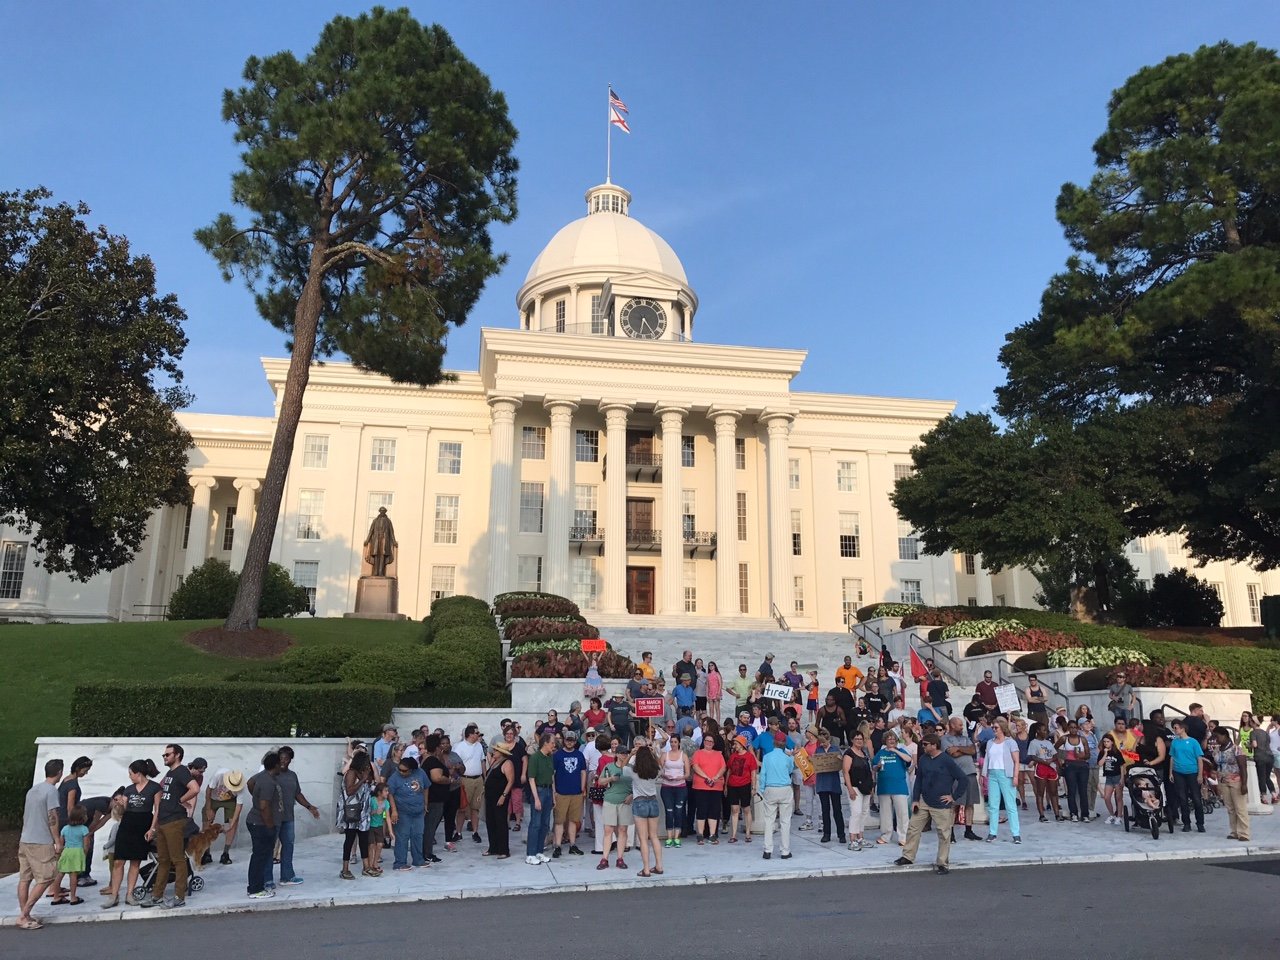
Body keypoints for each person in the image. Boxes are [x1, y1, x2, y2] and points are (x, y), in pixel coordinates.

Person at [895, 734, 967, 875]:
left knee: (944, 834)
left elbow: (963, 779)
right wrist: (916, 799)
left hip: (941, 803)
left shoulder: (947, 760)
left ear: (934, 745)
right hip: (924, 800)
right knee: (913, 828)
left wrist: (953, 797)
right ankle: (908, 856)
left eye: (925, 744)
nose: (923, 746)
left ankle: (942, 863)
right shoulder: (923, 759)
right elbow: (919, 779)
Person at [139, 743, 198, 909]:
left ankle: (179, 897)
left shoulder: (181, 771)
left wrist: (181, 800)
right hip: (164, 821)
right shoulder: (171, 773)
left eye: (167, 754)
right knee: (163, 860)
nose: (164, 757)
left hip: (174, 821)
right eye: (164, 755)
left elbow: (194, 788)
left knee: (177, 859)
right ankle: (157, 895)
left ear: (177, 755)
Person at [15, 758, 63, 930]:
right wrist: (57, 840)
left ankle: (25, 914)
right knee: (47, 877)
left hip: (25, 838)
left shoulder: (33, 790)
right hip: (41, 841)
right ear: (59, 773)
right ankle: (24, 915)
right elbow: (52, 817)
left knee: (25, 878)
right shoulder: (51, 791)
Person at [269, 745, 321, 888]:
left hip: (288, 817)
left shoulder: (292, 775)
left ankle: (287, 876)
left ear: (290, 760)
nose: (283, 761)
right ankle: (267, 880)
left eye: (286, 759)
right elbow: (255, 785)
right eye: (281, 758)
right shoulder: (272, 773)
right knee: (269, 848)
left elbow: (297, 794)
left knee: (288, 846)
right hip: (273, 817)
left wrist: (309, 807)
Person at [245, 750, 283, 898]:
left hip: (258, 823)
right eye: (280, 764)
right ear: (275, 765)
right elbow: (263, 806)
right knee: (259, 857)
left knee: (260, 856)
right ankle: (255, 889)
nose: (281, 766)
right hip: (260, 824)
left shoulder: (262, 776)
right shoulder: (268, 782)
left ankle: (256, 887)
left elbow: (250, 783)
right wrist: (270, 827)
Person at [940, 717, 980, 841]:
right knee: (954, 803)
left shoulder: (965, 738)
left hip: (970, 773)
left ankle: (968, 830)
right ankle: (950, 832)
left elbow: (973, 750)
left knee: (970, 803)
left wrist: (957, 748)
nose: (962, 727)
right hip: (956, 775)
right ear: (952, 725)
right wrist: (964, 750)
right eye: (960, 725)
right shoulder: (945, 739)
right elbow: (953, 754)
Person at [1207, 727, 1249, 842]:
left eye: (1217, 737)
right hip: (1223, 781)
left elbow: (1243, 768)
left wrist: (1244, 784)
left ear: (1225, 736)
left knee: (1240, 807)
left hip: (1236, 781)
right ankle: (1234, 831)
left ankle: (1244, 833)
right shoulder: (1217, 750)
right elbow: (1215, 764)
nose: (1216, 740)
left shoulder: (1237, 749)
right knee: (1230, 808)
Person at [628, 740, 664, 876]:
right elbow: (661, 767)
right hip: (653, 801)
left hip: (639, 801)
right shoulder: (655, 771)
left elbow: (623, 768)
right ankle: (659, 866)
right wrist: (654, 754)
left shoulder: (634, 772)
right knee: (654, 836)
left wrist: (631, 754)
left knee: (643, 839)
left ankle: (646, 869)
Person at [758, 731, 795, 859]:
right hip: (784, 788)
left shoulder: (767, 757)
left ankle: (767, 850)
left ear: (773, 742)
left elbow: (763, 775)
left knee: (769, 820)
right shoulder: (787, 758)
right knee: (785, 821)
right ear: (784, 743)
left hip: (770, 788)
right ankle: (785, 851)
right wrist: (791, 757)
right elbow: (790, 769)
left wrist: (762, 790)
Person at [337, 751, 374, 879]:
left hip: (363, 812)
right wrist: (363, 779)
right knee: (350, 839)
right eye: (366, 762)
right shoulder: (351, 773)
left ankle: (366, 867)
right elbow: (350, 791)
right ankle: (345, 869)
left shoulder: (363, 773)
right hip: (351, 811)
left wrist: (367, 777)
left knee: (364, 839)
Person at [984, 719, 1021, 843]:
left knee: (1010, 805)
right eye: (993, 728)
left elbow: (1016, 761)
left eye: (996, 727)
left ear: (1002, 728)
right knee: (993, 805)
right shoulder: (990, 742)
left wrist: (1015, 776)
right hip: (992, 773)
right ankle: (992, 832)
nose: (994, 730)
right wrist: (984, 774)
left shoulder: (1010, 742)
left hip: (1006, 774)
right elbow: (987, 758)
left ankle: (1016, 833)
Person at [551, 731, 587, 858]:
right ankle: (558, 846)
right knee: (559, 821)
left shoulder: (579, 755)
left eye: (572, 740)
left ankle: (572, 845)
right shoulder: (557, 755)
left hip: (576, 792)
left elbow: (583, 772)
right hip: (561, 792)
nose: (569, 742)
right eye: (567, 740)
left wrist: (582, 788)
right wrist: (554, 791)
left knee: (573, 820)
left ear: (575, 741)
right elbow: (552, 774)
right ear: (564, 740)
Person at [597, 746, 634, 870]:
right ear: (617, 754)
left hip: (625, 802)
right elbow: (600, 781)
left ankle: (620, 858)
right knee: (608, 830)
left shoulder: (631, 768)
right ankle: (604, 858)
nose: (624, 755)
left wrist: (632, 795)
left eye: (626, 753)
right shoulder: (609, 767)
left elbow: (637, 783)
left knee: (622, 830)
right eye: (622, 753)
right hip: (610, 800)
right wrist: (611, 778)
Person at [871, 730, 909, 847]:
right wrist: (877, 766)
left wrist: (895, 750)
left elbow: (908, 759)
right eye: (889, 739)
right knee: (885, 813)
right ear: (885, 741)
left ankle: (903, 837)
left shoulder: (901, 751)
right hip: (884, 787)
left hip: (899, 787)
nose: (891, 740)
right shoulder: (881, 752)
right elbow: (873, 767)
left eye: (893, 739)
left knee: (902, 813)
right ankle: (885, 835)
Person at [1168, 719, 1206, 832]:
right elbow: (1172, 757)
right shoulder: (1175, 742)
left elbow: (1199, 758)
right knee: (1182, 798)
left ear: (1183, 729)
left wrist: (1200, 774)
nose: (1174, 730)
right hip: (1178, 772)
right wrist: (1170, 772)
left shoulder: (1193, 742)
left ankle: (1200, 823)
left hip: (1192, 772)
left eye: (1176, 728)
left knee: (1196, 798)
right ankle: (1186, 823)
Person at [202, 768, 244, 866]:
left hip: (230, 801)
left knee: (232, 824)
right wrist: (208, 809)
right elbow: (208, 791)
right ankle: (206, 853)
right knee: (206, 822)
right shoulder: (219, 775)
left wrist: (231, 824)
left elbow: (239, 806)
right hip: (213, 798)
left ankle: (225, 853)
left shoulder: (241, 784)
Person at [524, 733, 556, 864]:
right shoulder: (535, 758)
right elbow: (531, 779)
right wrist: (536, 798)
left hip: (548, 790)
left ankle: (539, 851)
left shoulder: (550, 757)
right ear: (545, 743)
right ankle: (530, 854)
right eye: (552, 743)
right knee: (535, 824)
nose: (554, 745)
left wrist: (553, 795)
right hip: (539, 790)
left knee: (545, 824)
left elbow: (552, 777)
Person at [839, 731, 872, 850]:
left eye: (860, 739)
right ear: (852, 740)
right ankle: (852, 839)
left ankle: (860, 837)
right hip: (854, 787)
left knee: (863, 813)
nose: (859, 741)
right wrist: (850, 789)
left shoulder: (864, 753)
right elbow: (845, 772)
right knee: (856, 812)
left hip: (865, 787)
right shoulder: (849, 753)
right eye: (856, 739)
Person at [691, 734, 726, 844]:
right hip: (701, 785)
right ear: (703, 741)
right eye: (707, 740)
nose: (709, 743)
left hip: (716, 786)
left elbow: (723, 767)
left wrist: (715, 777)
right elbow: (695, 766)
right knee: (701, 810)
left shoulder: (719, 754)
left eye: (711, 741)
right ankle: (700, 835)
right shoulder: (698, 753)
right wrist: (706, 777)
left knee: (714, 811)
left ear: (714, 743)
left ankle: (712, 835)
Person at [483, 742, 515, 858]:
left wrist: (504, 795)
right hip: (490, 797)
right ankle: (493, 847)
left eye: (496, 750)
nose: (494, 752)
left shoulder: (507, 763)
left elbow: (510, 781)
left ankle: (503, 850)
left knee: (500, 822)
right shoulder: (494, 762)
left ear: (501, 753)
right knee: (491, 821)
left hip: (499, 797)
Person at [421, 734, 451, 863]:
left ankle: (425, 851)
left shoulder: (426, 759)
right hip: (434, 799)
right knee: (430, 827)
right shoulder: (432, 761)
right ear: (437, 747)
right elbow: (436, 777)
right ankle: (427, 853)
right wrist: (448, 780)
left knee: (429, 826)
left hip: (432, 797)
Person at [661, 733, 691, 848]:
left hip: (680, 787)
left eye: (675, 742)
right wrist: (665, 776)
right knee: (669, 812)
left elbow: (688, 773)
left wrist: (681, 777)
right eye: (671, 742)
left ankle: (677, 837)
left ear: (679, 743)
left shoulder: (684, 756)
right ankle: (669, 837)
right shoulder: (665, 755)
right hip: (667, 787)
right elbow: (659, 770)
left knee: (678, 812)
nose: (673, 744)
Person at [1057, 721, 1091, 823]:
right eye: (1071, 727)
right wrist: (1062, 759)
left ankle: (1085, 814)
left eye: (1075, 727)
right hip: (1070, 766)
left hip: (1082, 765)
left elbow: (1088, 755)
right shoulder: (1064, 738)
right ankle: (1074, 813)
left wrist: (1081, 756)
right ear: (1068, 728)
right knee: (1071, 790)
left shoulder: (1082, 739)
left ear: (1078, 728)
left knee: (1083, 791)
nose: (1073, 729)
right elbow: (1055, 749)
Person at [1029, 722, 1062, 822]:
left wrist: (1051, 760)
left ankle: (1057, 814)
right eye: (1044, 730)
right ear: (1038, 731)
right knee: (1040, 792)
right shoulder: (1033, 743)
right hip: (1041, 767)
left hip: (1051, 767)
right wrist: (1044, 761)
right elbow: (1033, 756)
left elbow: (1055, 755)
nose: (1046, 732)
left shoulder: (1048, 743)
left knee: (1053, 792)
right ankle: (1041, 815)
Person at [1245, 714, 1275, 804]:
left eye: (1250, 721)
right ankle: (1274, 795)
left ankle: (1264, 797)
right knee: (1267, 777)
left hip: (1260, 757)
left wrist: (1248, 745)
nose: (1249, 723)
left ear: (1254, 723)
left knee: (1261, 777)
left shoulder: (1253, 733)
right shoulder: (1265, 733)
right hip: (1270, 756)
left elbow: (1254, 745)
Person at [1098, 735, 1124, 824]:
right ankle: (1112, 815)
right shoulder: (1102, 752)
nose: (1106, 743)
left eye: (1108, 741)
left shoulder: (1117, 752)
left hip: (1117, 776)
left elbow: (1121, 765)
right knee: (1106, 797)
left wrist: (1122, 778)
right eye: (1104, 742)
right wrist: (1105, 754)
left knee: (1118, 797)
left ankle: (1119, 816)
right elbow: (1100, 764)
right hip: (1108, 777)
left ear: (1112, 742)